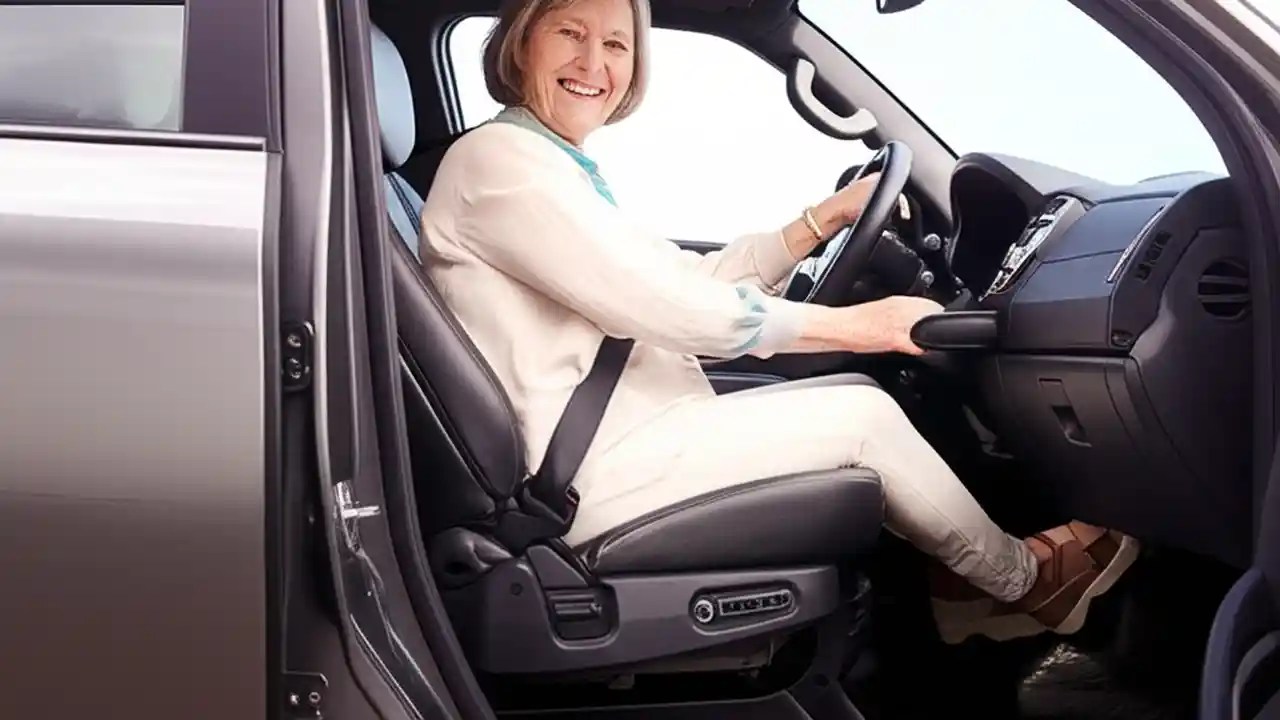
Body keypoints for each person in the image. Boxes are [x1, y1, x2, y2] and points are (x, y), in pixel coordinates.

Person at [417, 0, 1139, 644]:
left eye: (616, 45)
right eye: (570, 33)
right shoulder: (498, 160)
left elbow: (677, 281)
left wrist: (816, 223)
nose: (593, 62)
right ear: (520, 42)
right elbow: (664, 307)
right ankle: (1022, 584)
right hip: (584, 473)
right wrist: (869, 326)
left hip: (616, 439)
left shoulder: (546, 166)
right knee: (866, 415)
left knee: (853, 402)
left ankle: (958, 591)